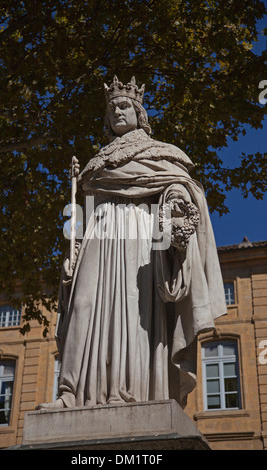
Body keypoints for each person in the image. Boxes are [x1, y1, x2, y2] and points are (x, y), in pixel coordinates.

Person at [36, 76, 227, 410]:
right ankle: (70, 393)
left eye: (124, 106)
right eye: (112, 109)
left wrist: (176, 207)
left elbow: (178, 187)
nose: (117, 112)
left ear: (140, 113)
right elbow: (86, 213)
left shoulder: (163, 154)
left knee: (132, 309)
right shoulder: (94, 166)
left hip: (139, 233)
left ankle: (134, 392)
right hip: (100, 232)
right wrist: (75, 250)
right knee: (83, 305)